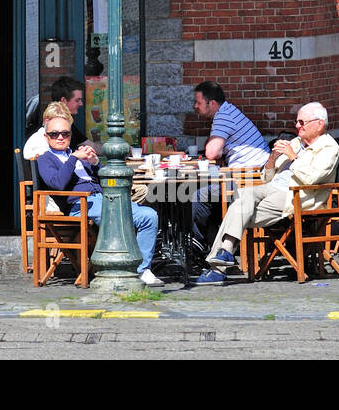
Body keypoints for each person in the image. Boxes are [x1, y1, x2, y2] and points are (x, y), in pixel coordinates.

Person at [196, 101, 339, 285]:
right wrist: (273, 157)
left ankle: (218, 266)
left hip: (295, 195)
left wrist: (292, 157)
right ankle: (223, 256)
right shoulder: (297, 142)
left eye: (301, 122)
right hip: (271, 187)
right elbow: (266, 176)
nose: (297, 126)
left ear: (319, 124)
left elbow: (311, 178)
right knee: (243, 195)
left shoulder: (329, 148)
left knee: (238, 210)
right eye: (297, 122)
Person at [35, 111, 164, 287]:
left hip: (105, 198)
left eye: (65, 134)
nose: (60, 137)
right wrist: (73, 158)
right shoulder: (45, 159)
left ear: (70, 135)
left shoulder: (78, 154)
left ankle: (142, 270)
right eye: (54, 134)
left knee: (149, 215)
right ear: (46, 136)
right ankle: (118, 267)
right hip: (80, 205)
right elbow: (58, 183)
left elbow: (106, 179)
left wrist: (96, 163)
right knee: (124, 219)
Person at [189, 82, 269, 247]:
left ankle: (199, 245)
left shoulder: (223, 116)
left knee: (199, 196)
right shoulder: (228, 111)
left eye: (198, 102)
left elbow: (211, 152)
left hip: (250, 178)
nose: (195, 106)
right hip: (252, 175)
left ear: (212, 103)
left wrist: (216, 151)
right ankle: (214, 245)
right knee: (208, 193)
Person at [23, 76, 87, 161]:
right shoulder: (42, 144)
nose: (60, 137)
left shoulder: (67, 127)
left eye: (65, 133)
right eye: (77, 100)